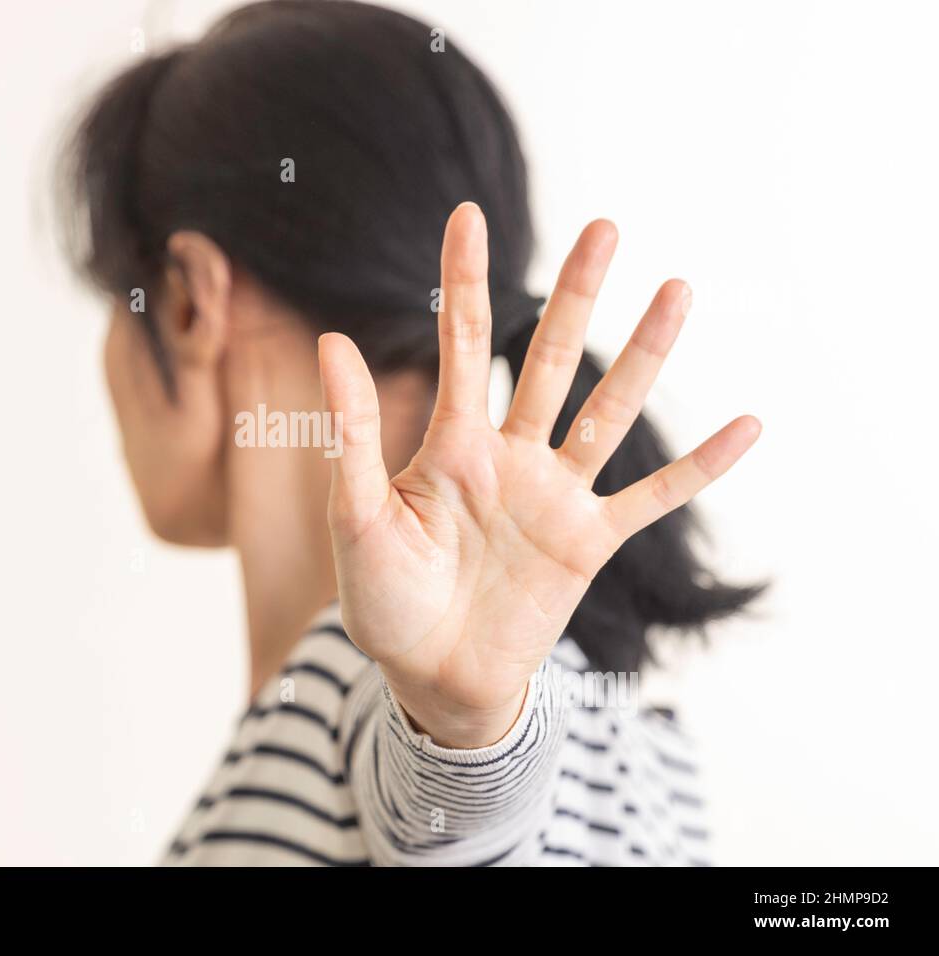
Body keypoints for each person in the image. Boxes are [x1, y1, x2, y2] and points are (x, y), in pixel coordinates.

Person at [55, 0, 763, 865]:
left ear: (188, 300)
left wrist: (463, 728)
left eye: (115, 302)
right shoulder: (624, 734)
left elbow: (451, 809)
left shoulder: (395, 689)